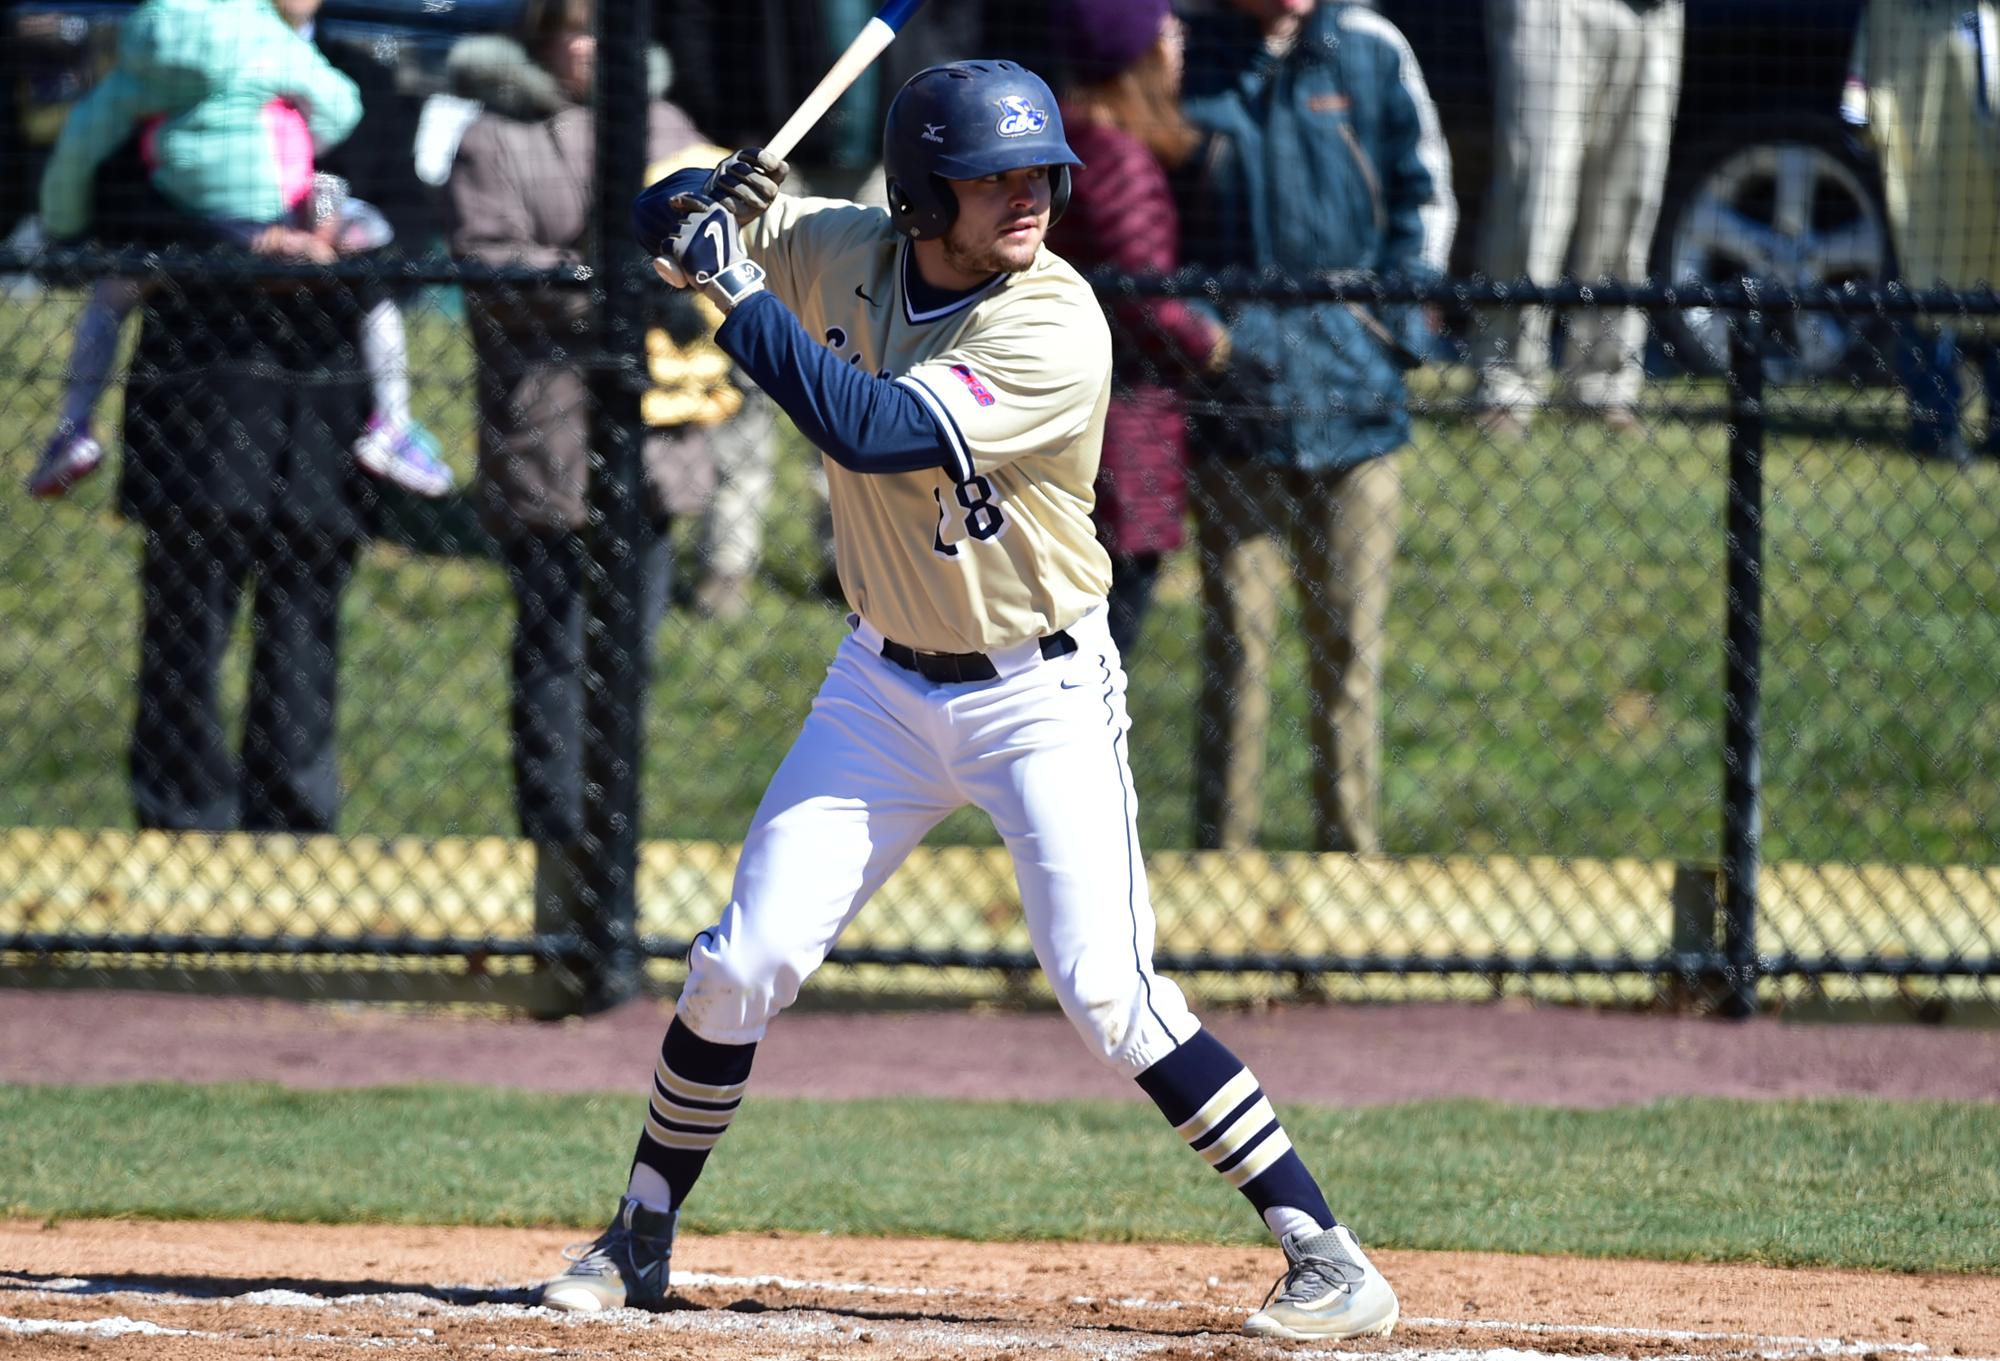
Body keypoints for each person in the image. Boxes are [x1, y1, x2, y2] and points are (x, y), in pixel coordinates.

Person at [526, 60, 1401, 1343]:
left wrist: (726, 278)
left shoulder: (1054, 320)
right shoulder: (843, 248)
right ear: (921, 194)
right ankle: (641, 1227)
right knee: (740, 961)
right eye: (994, 177)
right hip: (880, 680)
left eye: (1038, 171)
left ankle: (1325, 1252)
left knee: (1107, 987)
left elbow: (870, 426)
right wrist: (700, 202)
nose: (1030, 196)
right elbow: (659, 217)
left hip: (1037, 688)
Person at [1177, 0, 1453, 854]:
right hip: (1236, 412)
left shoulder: (1371, 51)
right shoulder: (1181, 57)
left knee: (1348, 657)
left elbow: (1425, 195)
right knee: (1238, 656)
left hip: (1358, 403)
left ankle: (1350, 868)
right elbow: (1145, 222)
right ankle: (1222, 876)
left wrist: (1393, 331)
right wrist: (1213, 341)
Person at [443, 0, 721, 845]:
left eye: (609, 28)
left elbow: (716, 236)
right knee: (555, 646)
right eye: (576, 28)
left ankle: (614, 837)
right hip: (552, 427)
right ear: (541, 37)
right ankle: (555, 838)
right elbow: (490, 261)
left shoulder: (667, 124)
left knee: (628, 657)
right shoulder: (495, 135)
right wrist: (609, 284)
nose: (593, 47)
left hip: (655, 428)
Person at [28, 0, 452, 501]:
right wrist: (249, 242)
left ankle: (393, 427)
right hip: (195, 412)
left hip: (327, 425)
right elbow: (121, 195)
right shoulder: (173, 67)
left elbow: (406, 224)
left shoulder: (364, 75)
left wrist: (328, 248)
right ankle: (75, 426)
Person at [1044, 0, 1230, 658]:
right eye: (1167, 29)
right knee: (1098, 666)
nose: (1179, 41)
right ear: (1140, 53)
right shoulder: (1116, 158)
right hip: (1122, 439)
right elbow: (1146, 301)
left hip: (1072, 432)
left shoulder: (1062, 141)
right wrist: (1213, 344)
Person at [1470, 0, 1684, 437]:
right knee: (1535, 199)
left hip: (1650, 11)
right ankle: (1506, 385)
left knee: (1628, 201)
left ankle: (1604, 385)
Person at [1845, 0, 2000, 463]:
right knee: (1923, 294)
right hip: (1924, 170)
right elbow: (1865, 70)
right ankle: (1937, 425)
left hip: (1987, 164)